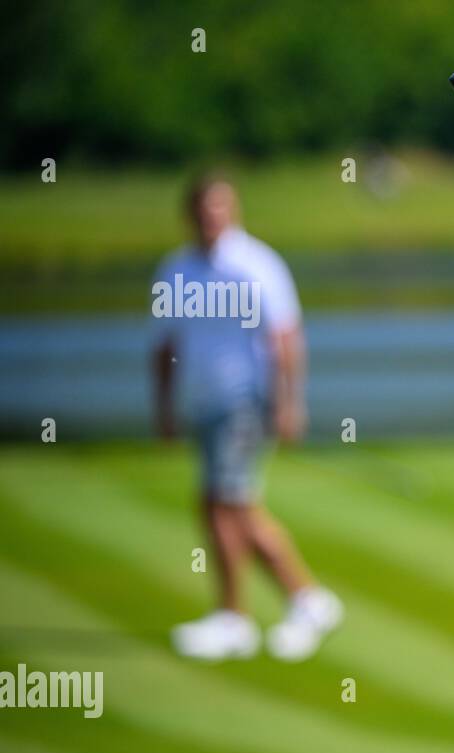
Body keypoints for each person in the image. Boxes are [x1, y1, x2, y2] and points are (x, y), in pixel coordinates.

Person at [152, 173, 342, 662]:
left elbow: (285, 338)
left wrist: (288, 403)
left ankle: (234, 618)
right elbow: (166, 345)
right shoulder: (175, 269)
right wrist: (165, 409)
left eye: (220, 208)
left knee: (220, 504)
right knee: (233, 507)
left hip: (245, 400)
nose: (211, 218)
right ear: (190, 213)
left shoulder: (254, 264)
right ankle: (306, 599)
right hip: (201, 401)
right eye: (203, 210)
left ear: (231, 210)